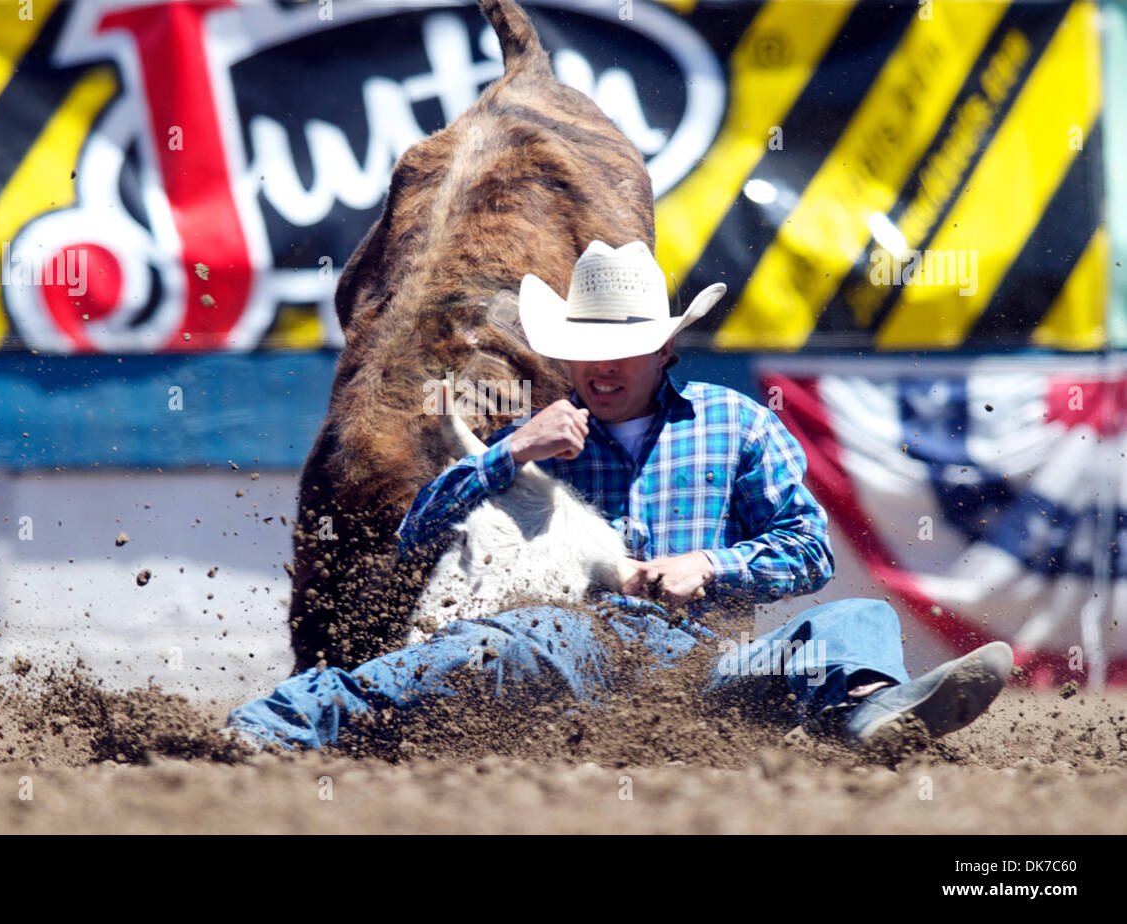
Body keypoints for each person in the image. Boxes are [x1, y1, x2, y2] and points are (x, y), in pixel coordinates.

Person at [227, 241, 1012, 750]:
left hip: (700, 669)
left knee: (856, 618)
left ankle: (874, 714)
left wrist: (710, 565)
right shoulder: (532, 433)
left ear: (665, 347)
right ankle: (275, 727)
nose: (601, 369)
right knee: (482, 651)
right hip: (562, 642)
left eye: (622, 351)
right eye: (584, 352)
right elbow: (417, 540)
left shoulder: (735, 426)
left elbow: (806, 552)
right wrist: (508, 456)